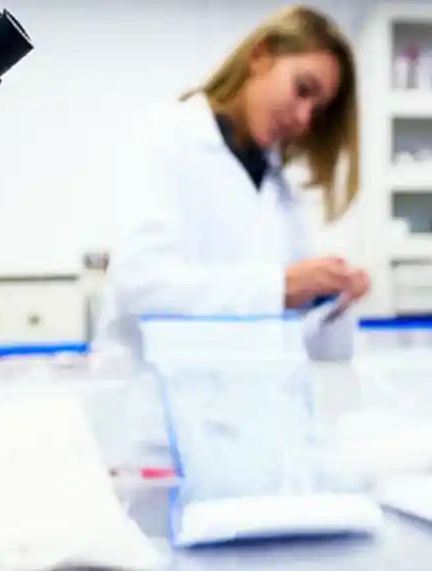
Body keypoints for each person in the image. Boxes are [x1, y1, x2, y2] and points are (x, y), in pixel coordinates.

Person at [91, 5, 369, 469]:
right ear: (261, 56)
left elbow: (301, 338)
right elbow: (140, 284)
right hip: (157, 436)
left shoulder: (279, 185)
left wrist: (333, 301)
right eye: (303, 90)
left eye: (317, 110)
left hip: (249, 437)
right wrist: (280, 287)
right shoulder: (168, 137)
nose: (303, 118)